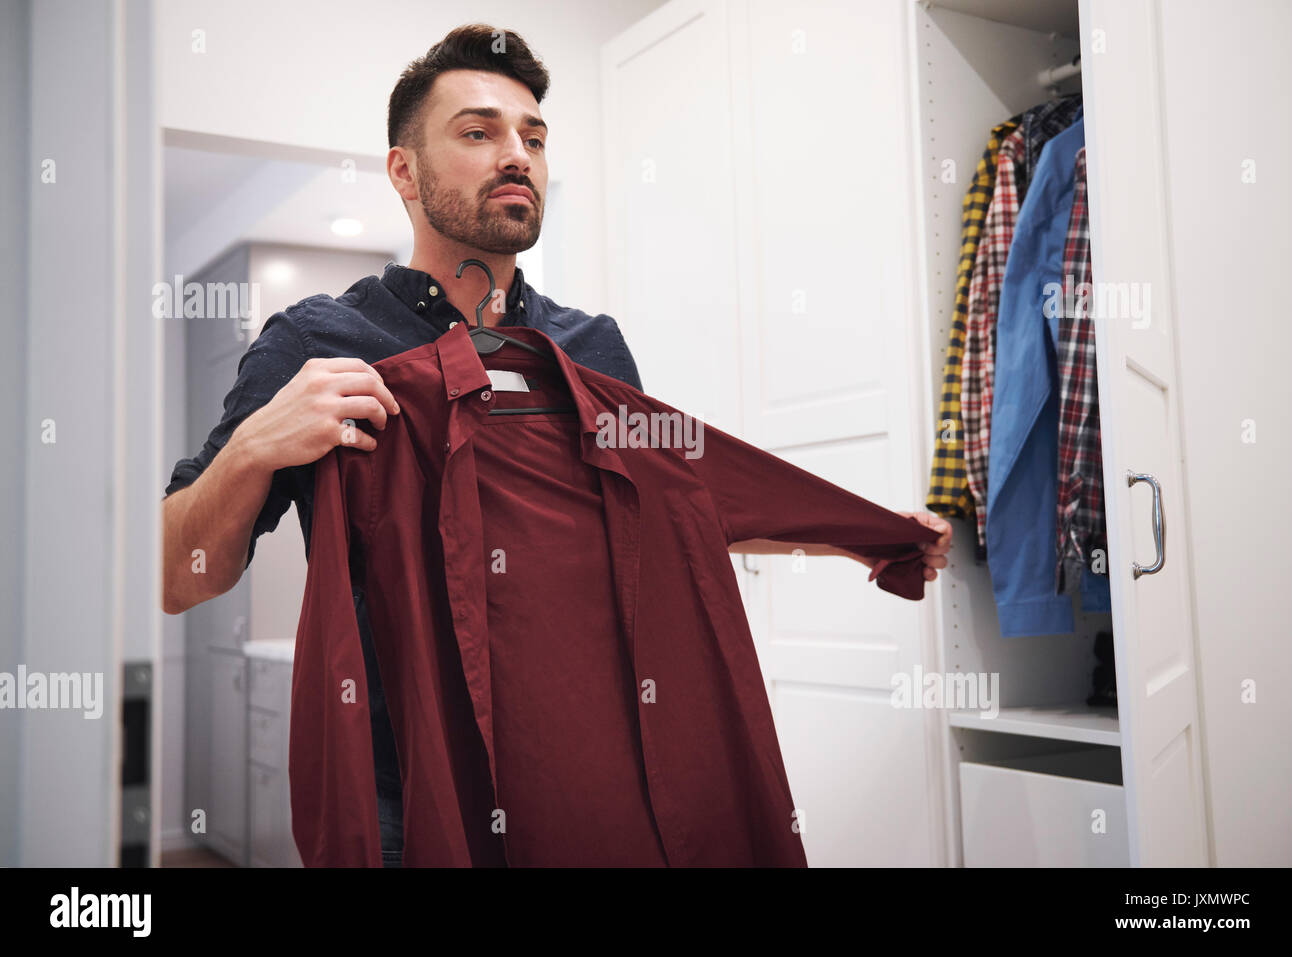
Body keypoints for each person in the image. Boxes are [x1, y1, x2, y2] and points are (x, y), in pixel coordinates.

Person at [160, 22, 951, 868]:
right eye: (479, 132)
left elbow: (677, 503)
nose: (517, 154)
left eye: (533, 137)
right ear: (403, 171)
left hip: (595, 781)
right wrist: (254, 446)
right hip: (413, 799)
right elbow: (176, 577)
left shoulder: (591, 348)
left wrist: (862, 532)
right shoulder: (319, 340)